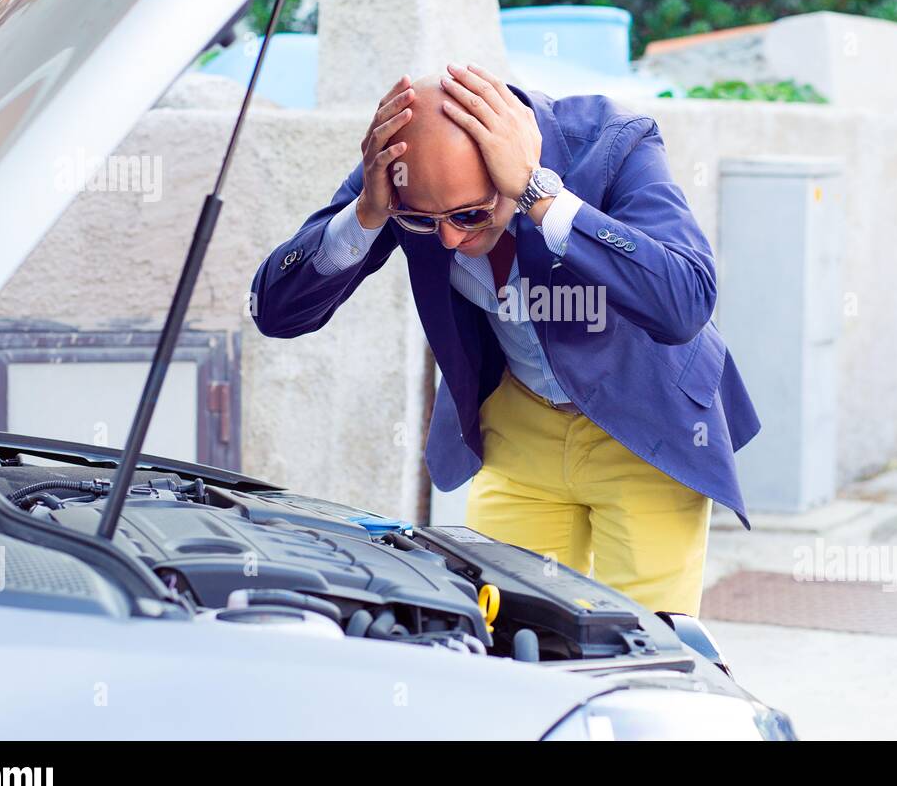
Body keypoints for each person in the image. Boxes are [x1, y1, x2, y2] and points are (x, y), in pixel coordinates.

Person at [251, 64, 759, 615]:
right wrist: (369, 214)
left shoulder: (612, 139)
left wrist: (540, 195)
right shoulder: (405, 178)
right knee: (508, 635)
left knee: (645, 645)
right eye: (424, 221)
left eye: (470, 213)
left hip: (643, 420)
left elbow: (683, 301)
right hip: (520, 431)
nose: (448, 238)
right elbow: (277, 312)